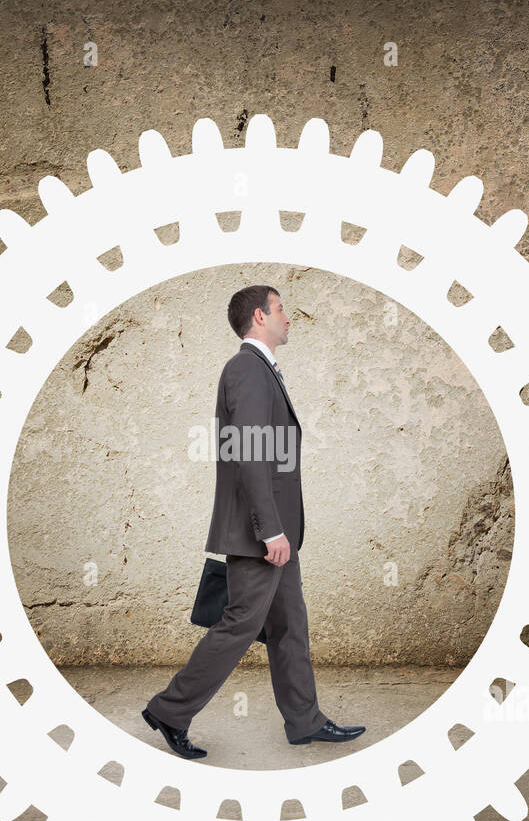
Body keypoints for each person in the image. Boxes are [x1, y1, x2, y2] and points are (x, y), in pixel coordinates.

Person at [142, 285, 366, 759]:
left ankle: (304, 721)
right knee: (240, 625)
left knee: (290, 626)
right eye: (282, 309)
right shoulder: (246, 367)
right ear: (261, 317)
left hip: (275, 530)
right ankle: (169, 709)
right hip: (260, 535)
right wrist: (271, 530)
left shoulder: (261, 369)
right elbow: (248, 453)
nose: (290, 317)